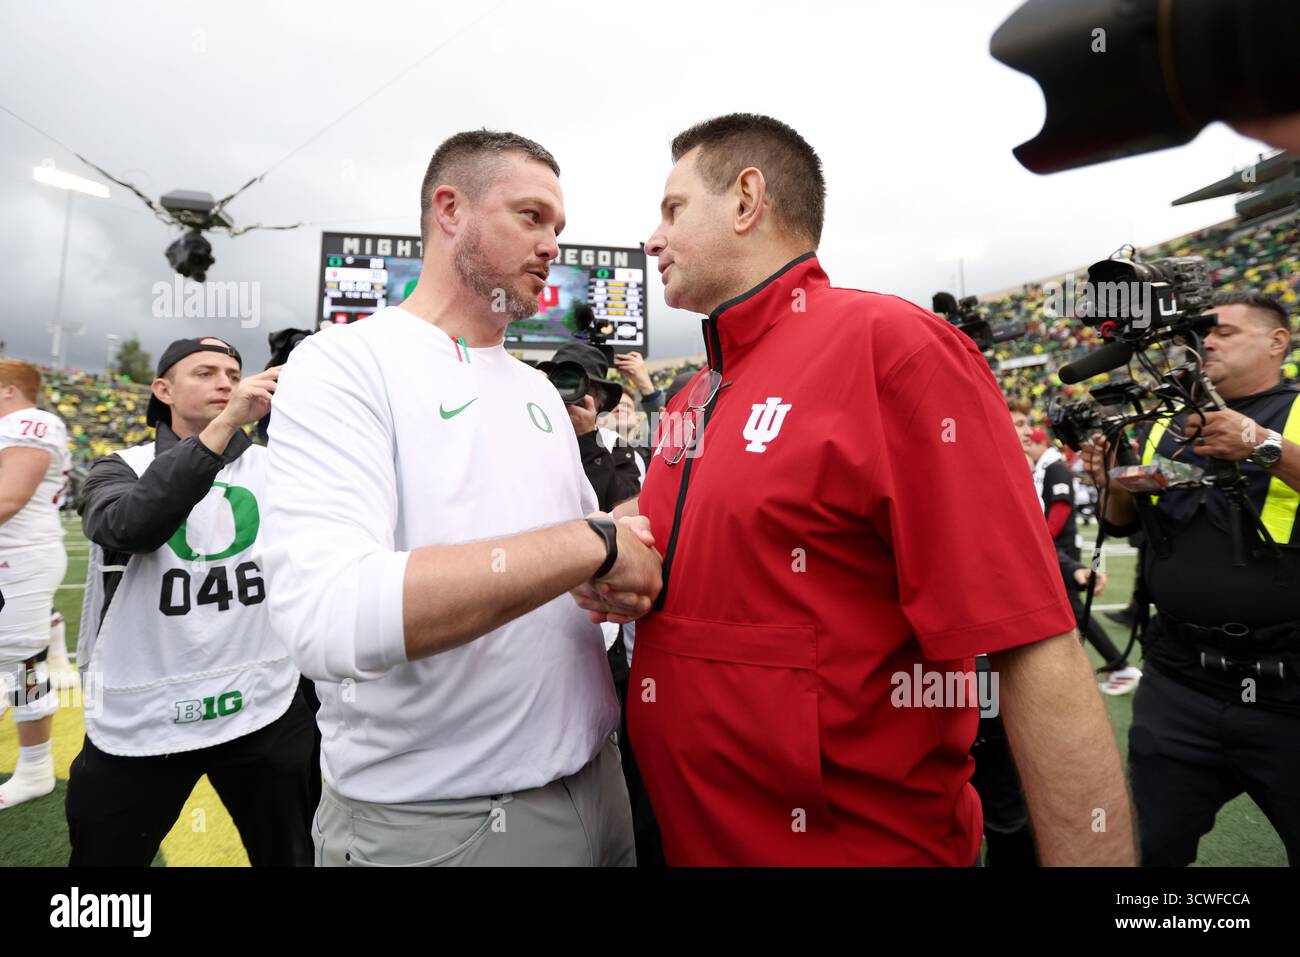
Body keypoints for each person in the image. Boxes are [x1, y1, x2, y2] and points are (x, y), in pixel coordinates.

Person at [580, 112, 1136, 866]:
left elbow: (1030, 640)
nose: (652, 237)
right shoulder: (691, 396)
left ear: (747, 200)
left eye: (673, 209)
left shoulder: (894, 350)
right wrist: (621, 555)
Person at [262, 129, 661, 867]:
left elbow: (580, 544)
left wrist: (623, 546)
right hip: (445, 820)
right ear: (450, 210)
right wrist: (595, 544)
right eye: (531, 217)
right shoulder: (345, 364)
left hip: (597, 782)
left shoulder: (537, 387)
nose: (552, 247)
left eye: (559, 228)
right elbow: (329, 613)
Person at [66, 337, 315, 865]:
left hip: (263, 701)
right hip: (143, 710)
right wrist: (225, 429)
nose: (225, 382)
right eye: (204, 373)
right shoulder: (119, 467)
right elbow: (131, 527)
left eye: (232, 372)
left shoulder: (281, 468)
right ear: (163, 390)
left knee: (294, 855)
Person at [1083, 289, 1300, 866]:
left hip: (1291, 691)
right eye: (1200, 334)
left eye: (1224, 332)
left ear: (1277, 340)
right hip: (1180, 682)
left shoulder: (1298, 410)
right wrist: (1111, 482)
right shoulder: (1164, 426)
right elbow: (1122, 523)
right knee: (1146, 849)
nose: (1205, 342)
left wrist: (1264, 445)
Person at [1014, 408, 1142, 695]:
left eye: (1027, 426)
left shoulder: (1053, 466)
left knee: (1072, 612)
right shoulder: (1027, 465)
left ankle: (1117, 664)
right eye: (1019, 424)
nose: (1026, 432)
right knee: (1067, 613)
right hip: (1050, 552)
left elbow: (1059, 509)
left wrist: (1054, 555)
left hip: (1059, 550)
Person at [0, 360, 70, 810]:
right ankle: (36, 769)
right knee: (22, 671)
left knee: (8, 665)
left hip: (18, 560)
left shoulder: (33, 422)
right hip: (17, 558)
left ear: (8, 391)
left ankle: (35, 769)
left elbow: (8, 497)